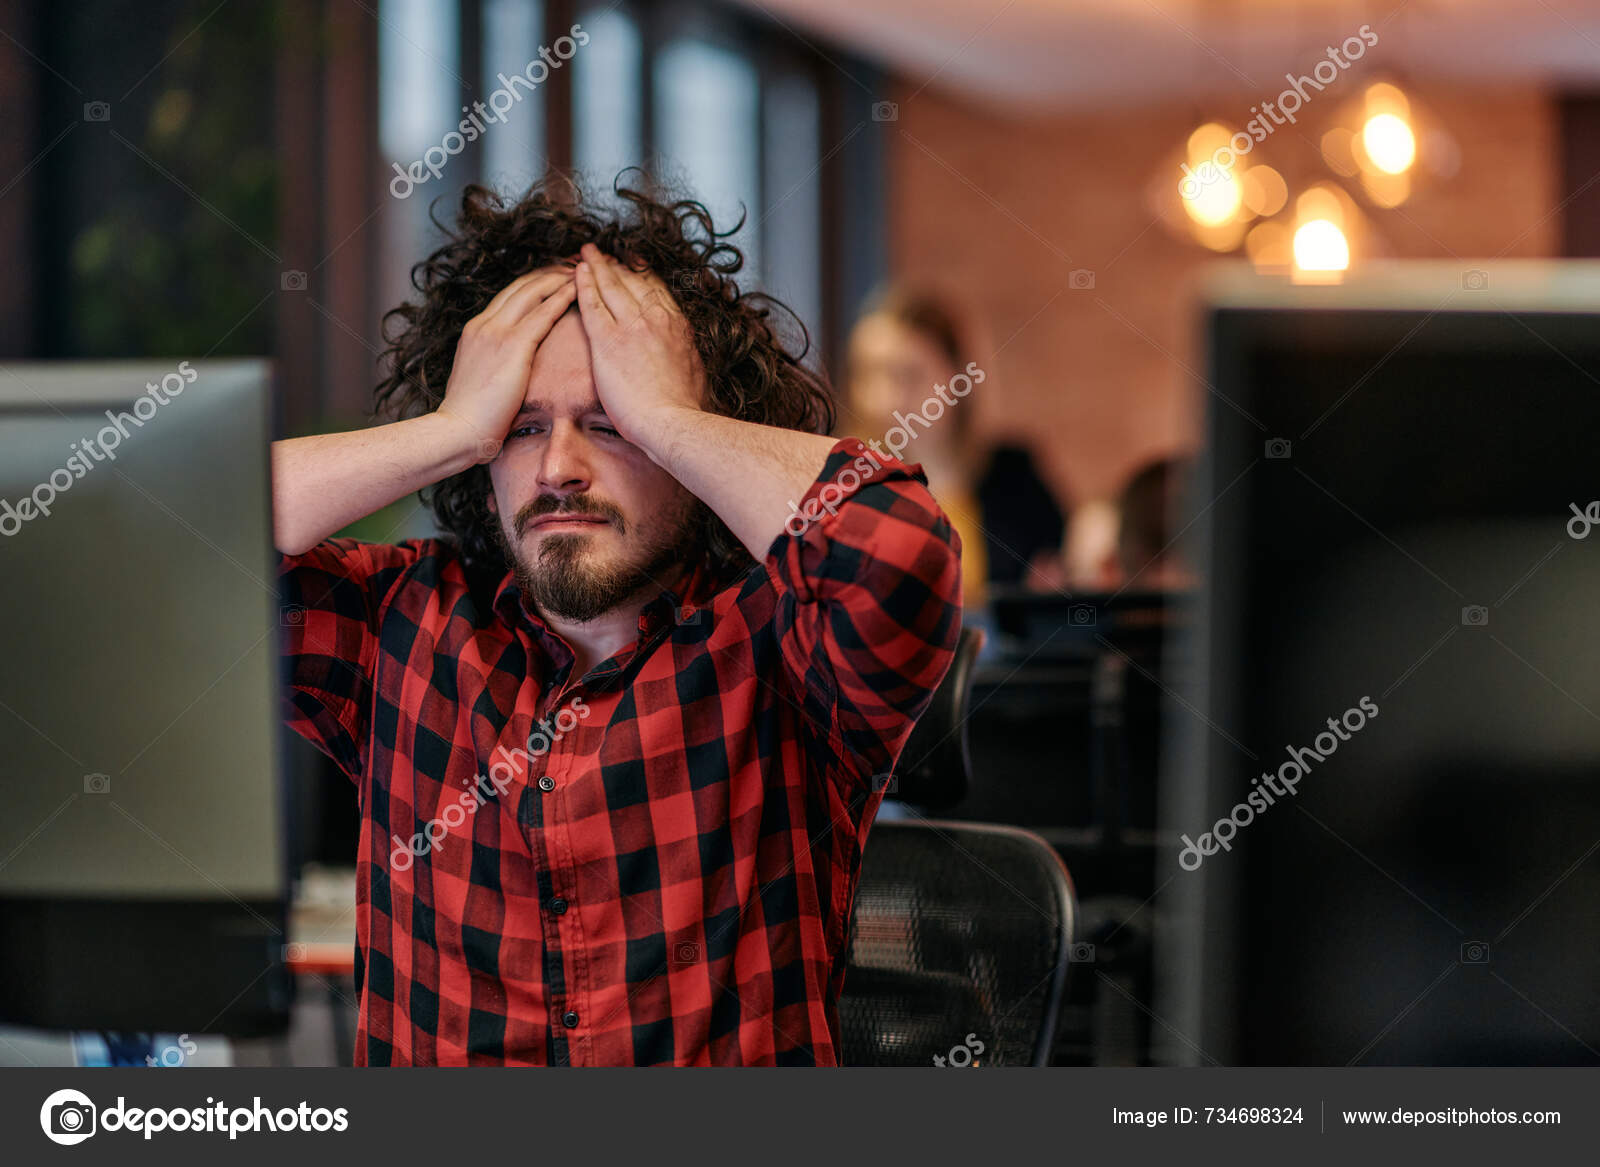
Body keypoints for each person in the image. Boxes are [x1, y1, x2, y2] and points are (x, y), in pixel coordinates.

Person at [271, 177, 962, 1066]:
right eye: (521, 428)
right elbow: (162, 534)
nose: (560, 467)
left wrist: (671, 416)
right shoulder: (400, 626)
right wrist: (450, 428)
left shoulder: (782, 644)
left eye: (609, 423)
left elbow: (900, 556)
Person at [844, 286, 1066, 607]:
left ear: (957, 380)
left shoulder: (1014, 475)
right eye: (868, 374)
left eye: (910, 375)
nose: (885, 399)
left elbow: (1055, 574)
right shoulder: (844, 487)